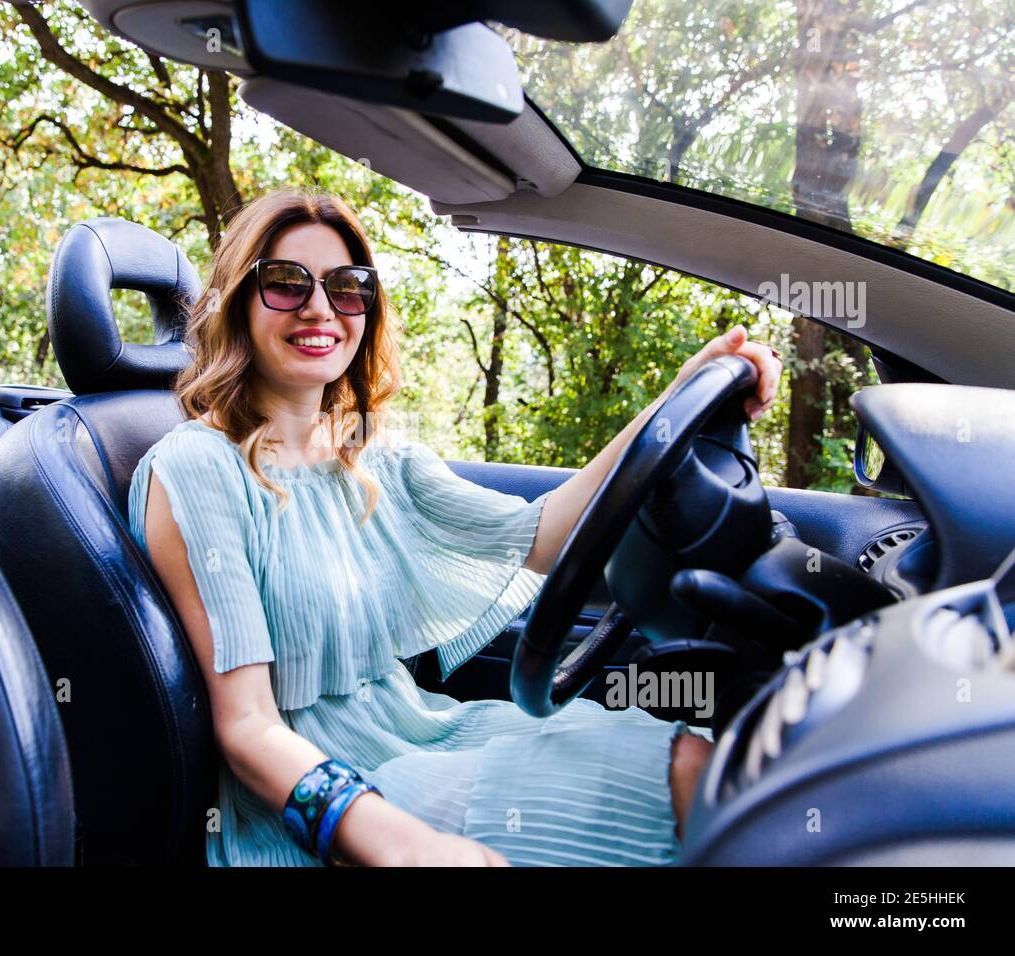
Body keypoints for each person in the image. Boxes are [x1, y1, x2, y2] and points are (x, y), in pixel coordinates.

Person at [127, 187, 781, 867]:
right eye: (287, 284)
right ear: (240, 300)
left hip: (425, 732)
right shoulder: (199, 468)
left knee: (698, 758)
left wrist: (674, 404)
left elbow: (542, 537)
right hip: (316, 801)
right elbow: (249, 729)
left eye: (348, 287)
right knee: (680, 785)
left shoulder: (372, 457)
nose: (321, 307)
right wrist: (407, 847)